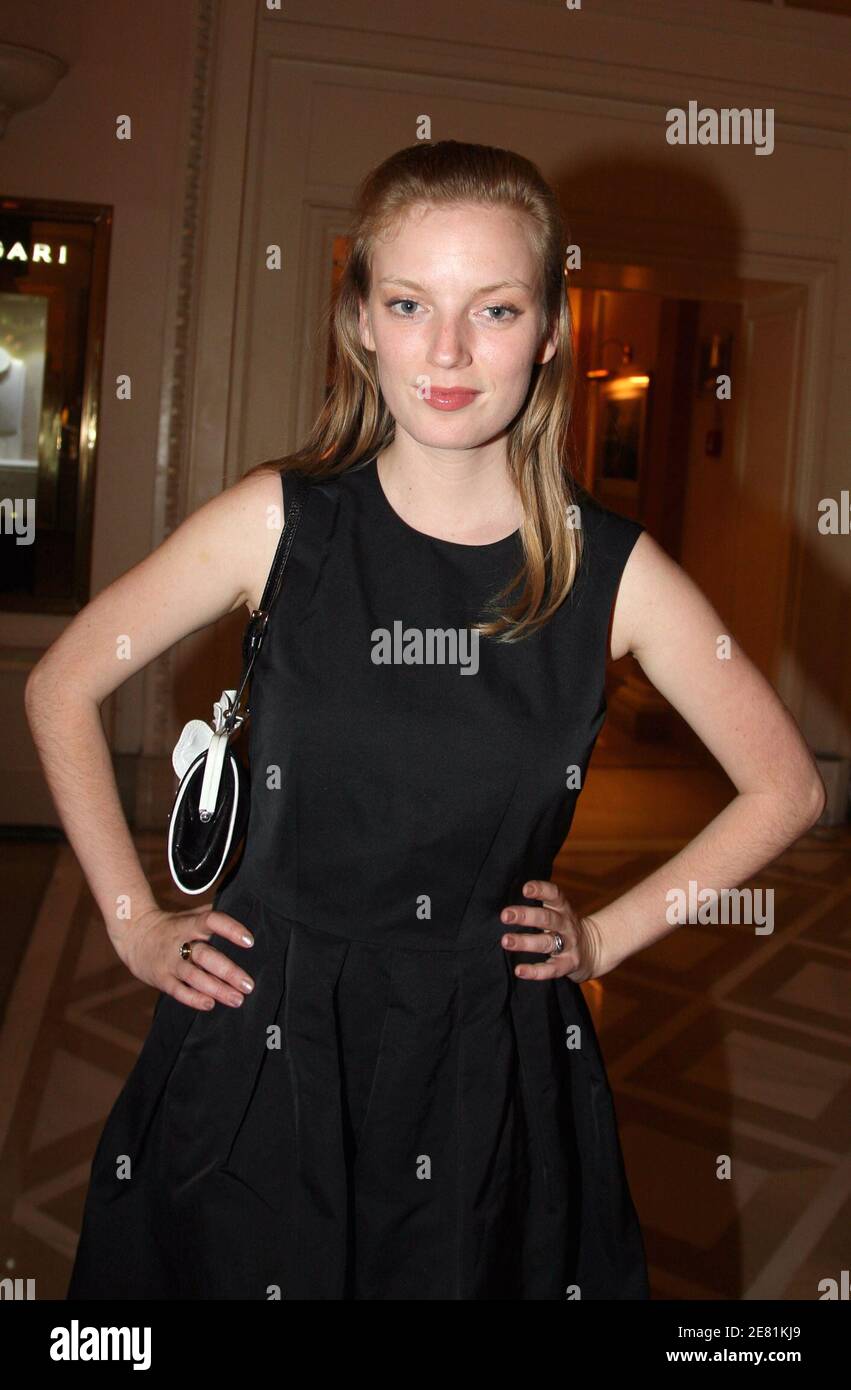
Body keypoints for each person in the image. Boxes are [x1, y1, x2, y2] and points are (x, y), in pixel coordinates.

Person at [26, 140, 825, 1301]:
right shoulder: (280, 523)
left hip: (482, 1052)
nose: (447, 352)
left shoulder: (611, 572)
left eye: (493, 309)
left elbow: (786, 789)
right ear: (360, 320)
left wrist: (601, 939)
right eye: (409, 303)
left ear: (550, 327)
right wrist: (132, 924)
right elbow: (60, 683)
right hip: (265, 1033)